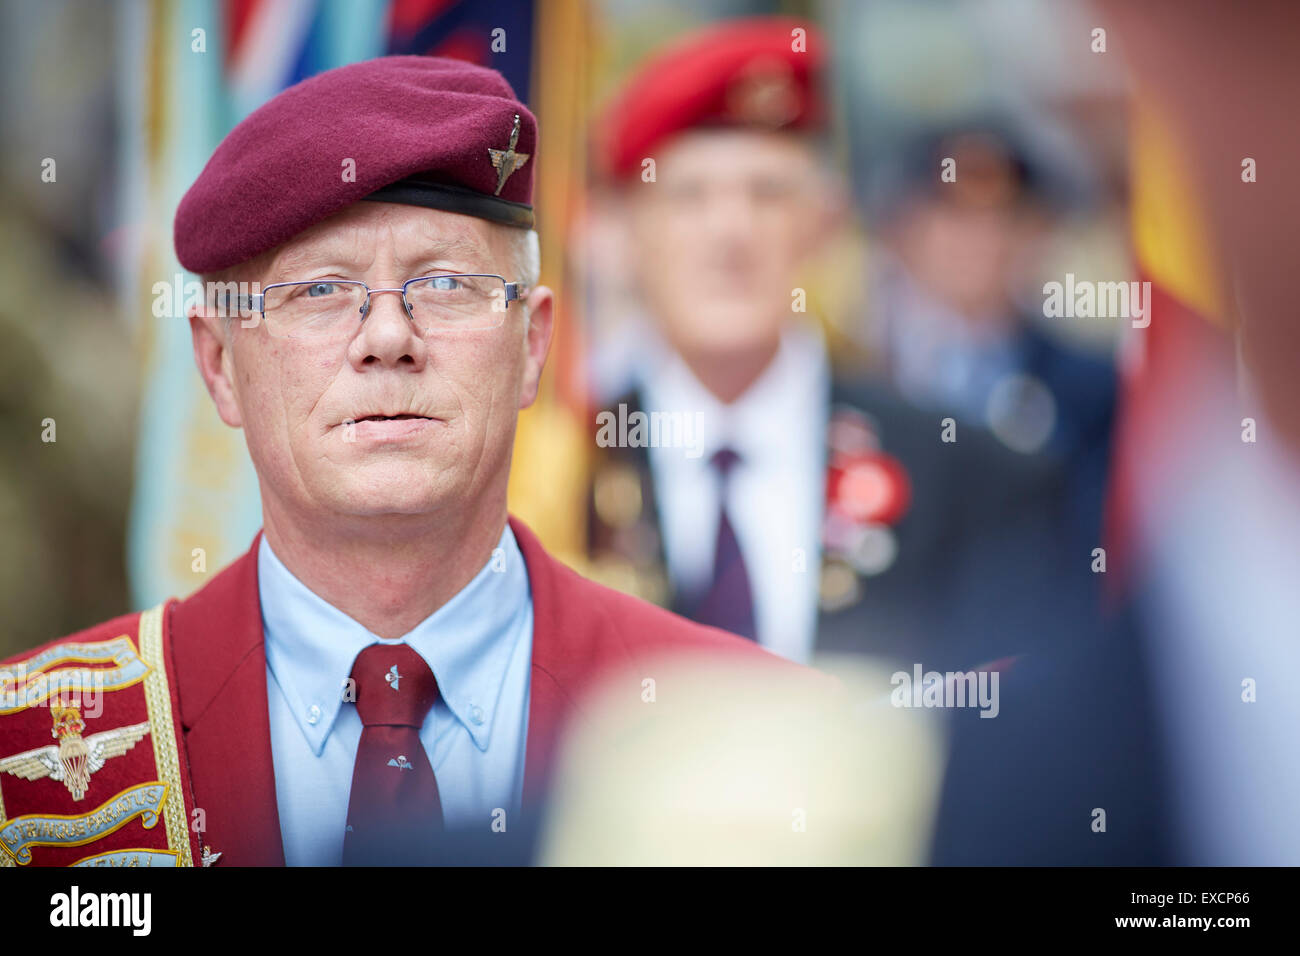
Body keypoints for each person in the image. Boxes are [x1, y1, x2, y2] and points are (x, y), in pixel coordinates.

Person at [0, 55, 807, 869]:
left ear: (532, 346)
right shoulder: (34, 760)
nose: (388, 338)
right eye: (318, 291)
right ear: (218, 366)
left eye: (447, 282)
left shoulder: (752, 730)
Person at [582, 19, 1087, 673]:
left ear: (824, 222)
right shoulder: (562, 466)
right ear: (622, 231)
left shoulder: (974, 475)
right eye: (688, 196)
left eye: (769, 194)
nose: (731, 234)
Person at [866, 118, 1118, 550]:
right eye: (953, 215)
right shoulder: (856, 374)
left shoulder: (1093, 391)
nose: (980, 241)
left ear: (1039, 233)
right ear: (899, 232)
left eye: (1004, 218)